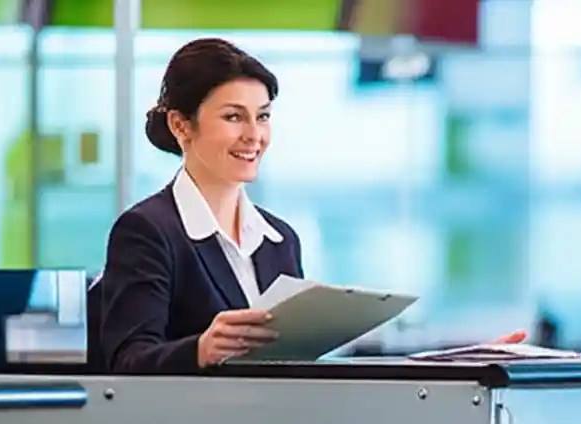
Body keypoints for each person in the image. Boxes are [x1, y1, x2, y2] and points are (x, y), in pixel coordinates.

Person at [100, 38, 522, 373]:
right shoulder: (148, 231)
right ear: (180, 125)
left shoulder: (280, 239)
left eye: (262, 117)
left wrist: (458, 364)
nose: (254, 135)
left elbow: (295, 366)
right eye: (233, 117)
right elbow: (127, 361)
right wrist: (200, 350)